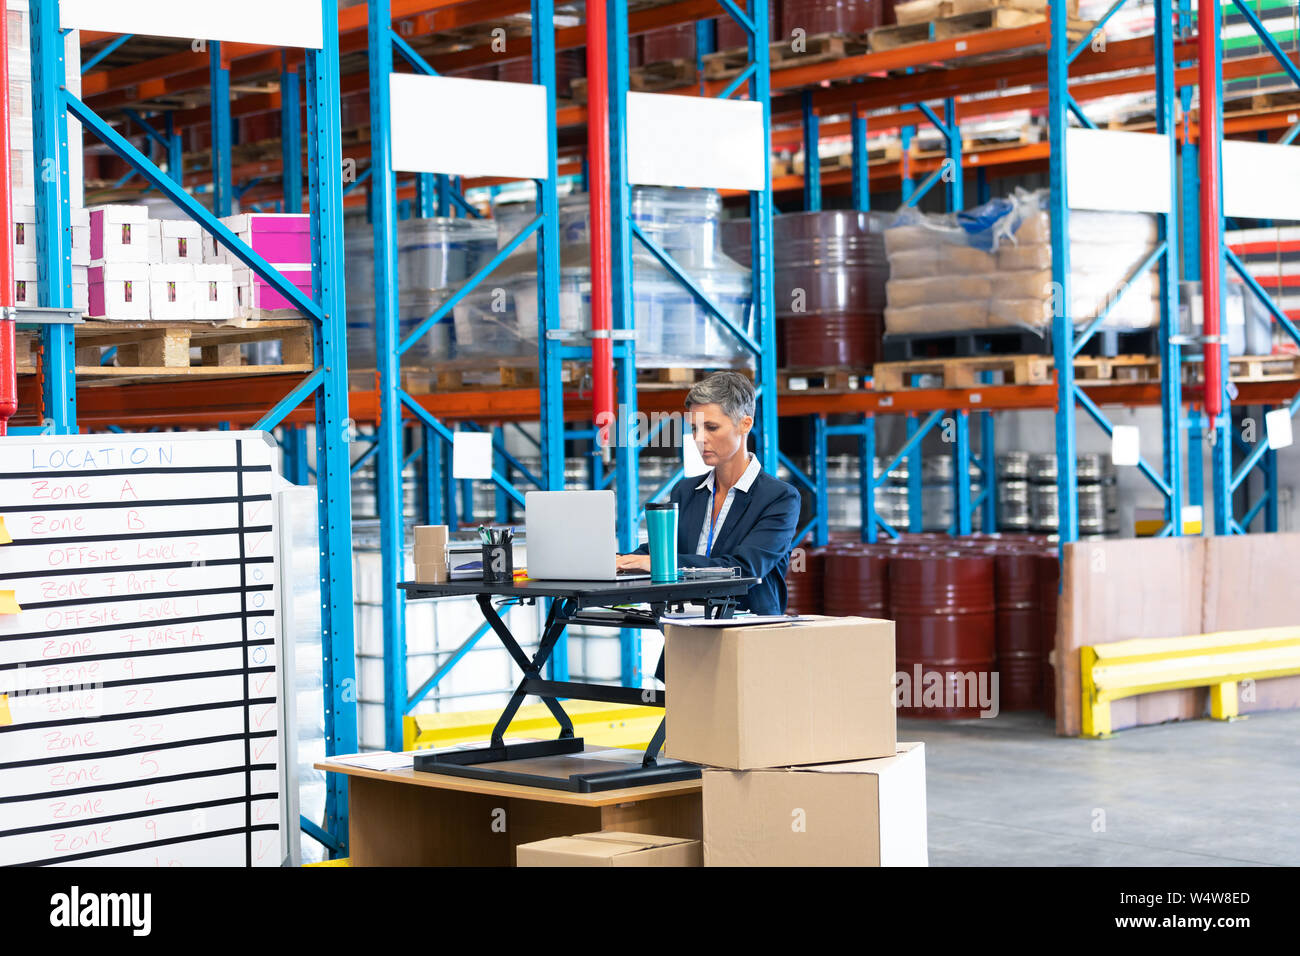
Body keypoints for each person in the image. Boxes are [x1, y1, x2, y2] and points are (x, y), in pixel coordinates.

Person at [616, 370, 801, 617]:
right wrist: (620, 561)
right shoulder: (686, 491)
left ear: (745, 424)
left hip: (747, 634)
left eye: (711, 427)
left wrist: (664, 565)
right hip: (684, 628)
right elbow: (664, 549)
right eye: (694, 428)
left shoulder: (779, 499)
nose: (699, 439)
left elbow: (745, 569)